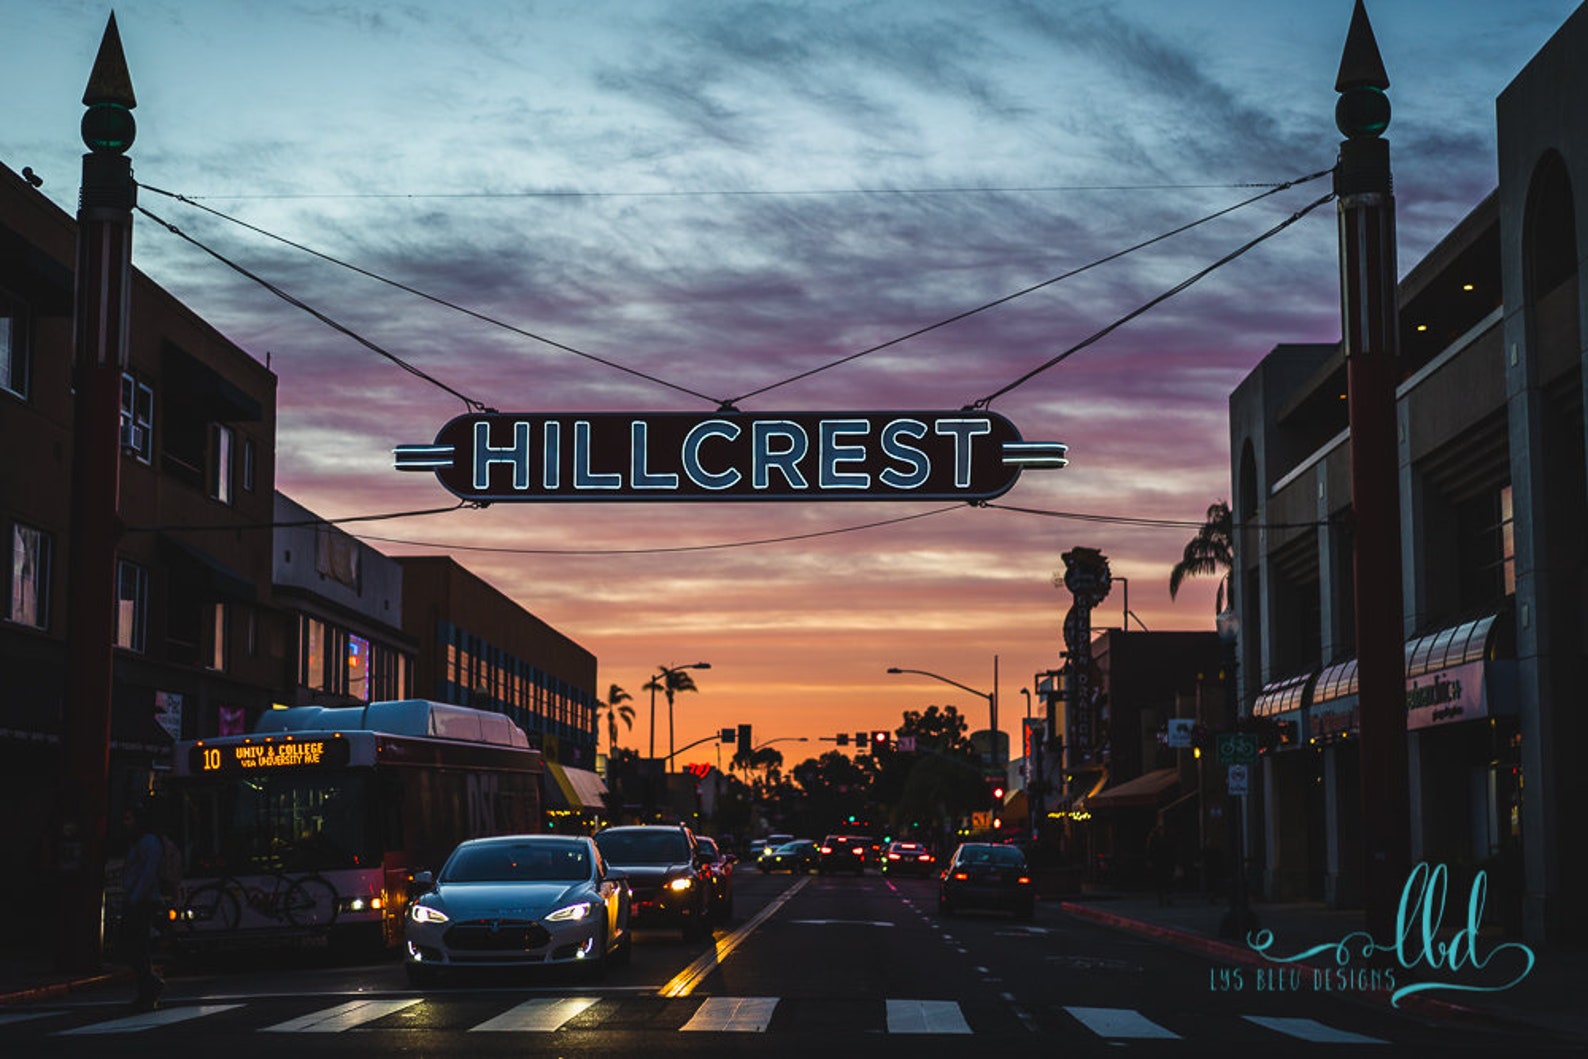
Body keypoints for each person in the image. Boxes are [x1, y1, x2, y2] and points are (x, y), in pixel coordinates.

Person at [120, 803, 166, 1012]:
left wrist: (135, 897)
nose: (126, 823)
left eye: (130, 818)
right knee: (136, 947)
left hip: (142, 901)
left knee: (136, 946)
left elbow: (148, 873)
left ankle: (149, 986)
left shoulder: (148, 842)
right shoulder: (138, 842)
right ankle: (147, 987)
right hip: (137, 899)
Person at [1146, 822, 1173, 907]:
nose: (1162, 831)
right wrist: (1150, 860)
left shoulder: (1167, 838)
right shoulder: (1154, 839)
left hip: (1165, 861)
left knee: (1167, 880)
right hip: (1157, 862)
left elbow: (1171, 850)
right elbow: (1150, 850)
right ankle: (1161, 898)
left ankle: (1167, 897)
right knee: (1159, 881)